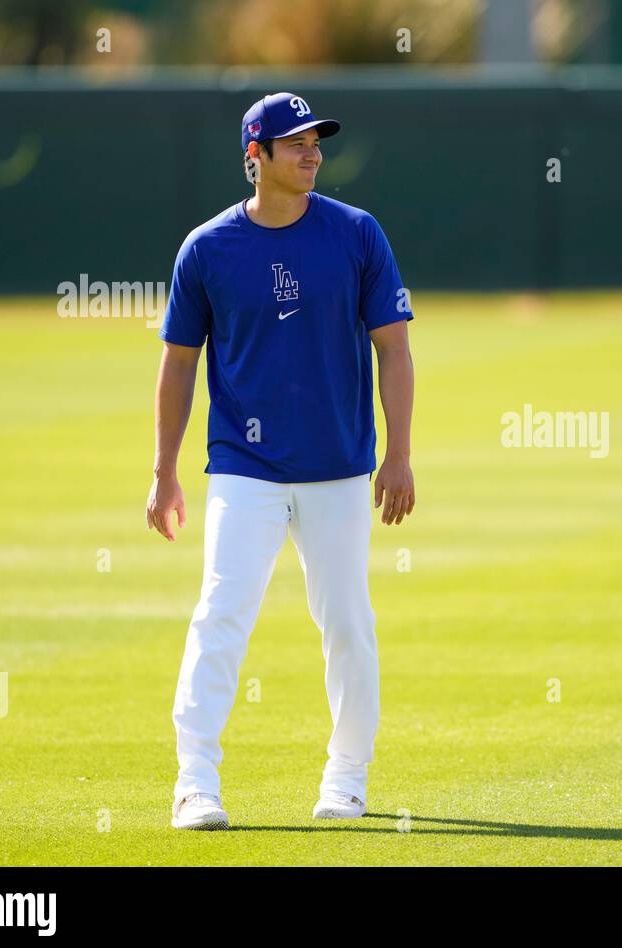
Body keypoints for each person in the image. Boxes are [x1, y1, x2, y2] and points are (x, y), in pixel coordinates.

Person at [146, 92, 416, 830]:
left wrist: (399, 455)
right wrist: (165, 469)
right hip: (243, 466)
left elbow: (393, 346)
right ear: (253, 158)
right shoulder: (206, 248)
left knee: (347, 623)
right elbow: (179, 364)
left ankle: (347, 777)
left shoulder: (357, 234)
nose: (312, 153)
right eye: (294, 143)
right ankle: (195, 779)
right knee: (221, 613)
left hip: (337, 465)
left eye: (316, 141)